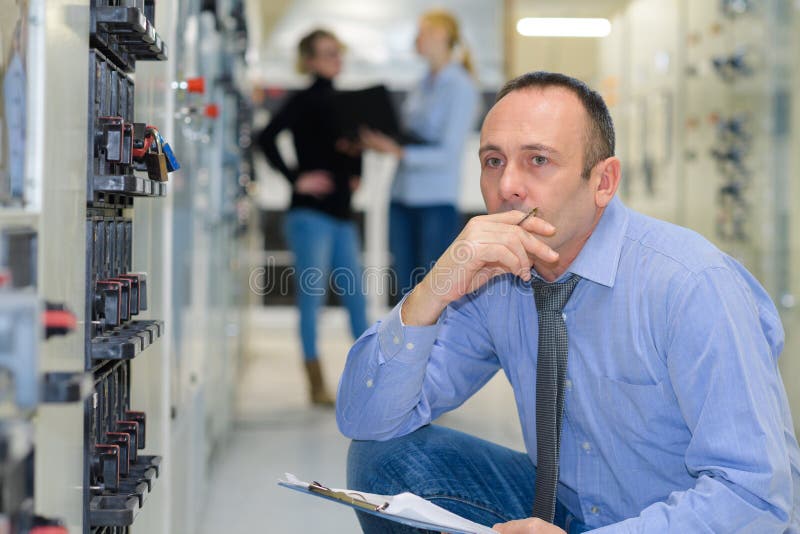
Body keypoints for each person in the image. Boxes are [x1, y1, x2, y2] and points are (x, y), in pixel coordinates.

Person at [337, 71, 800, 533]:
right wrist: (433, 290)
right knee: (384, 459)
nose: (508, 187)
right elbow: (368, 417)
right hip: (566, 509)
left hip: (675, 521)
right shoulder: (494, 278)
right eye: (493, 161)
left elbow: (755, 495)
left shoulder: (690, 284)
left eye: (538, 160)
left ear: (604, 181)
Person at [256, 28, 368, 406]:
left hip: (341, 216)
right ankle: (315, 384)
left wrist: (356, 174)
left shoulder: (346, 101)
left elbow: (353, 148)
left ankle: (371, 381)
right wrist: (295, 178)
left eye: (338, 52)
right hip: (310, 217)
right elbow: (266, 137)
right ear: (309, 60)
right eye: (327, 53)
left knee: (357, 300)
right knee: (312, 300)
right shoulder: (304, 99)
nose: (335, 59)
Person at [360, 9, 479, 300]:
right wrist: (386, 142)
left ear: (440, 36)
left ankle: (434, 348)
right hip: (402, 196)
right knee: (405, 288)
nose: (416, 39)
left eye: (421, 32)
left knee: (434, 289)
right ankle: (406, 346)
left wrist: (400, 152)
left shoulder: (461, 86)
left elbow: (448, 154)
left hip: (435, 202)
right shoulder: (421, 83)